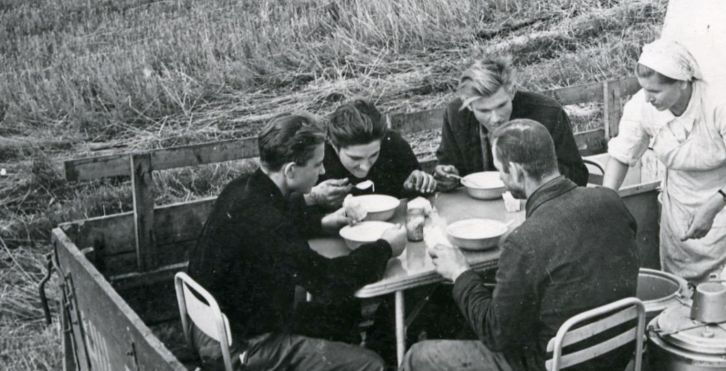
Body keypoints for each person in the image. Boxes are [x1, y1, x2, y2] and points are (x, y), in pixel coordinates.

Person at [404, 120, 639, 371]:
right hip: (614, 354)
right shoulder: (611, 200)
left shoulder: (524, 240)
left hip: (552, 364)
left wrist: (460, 273)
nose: (500, 178)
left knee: (418, 355)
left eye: (500, 170)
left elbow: (495, 333)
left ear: (516, 171)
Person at [187, 112, 408, 371]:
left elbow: (278, 215)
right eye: (317, 165)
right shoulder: (270, 224)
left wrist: (322, 223)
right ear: (291, 170)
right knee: (372, 363)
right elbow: (330, 281)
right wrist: (385, 247)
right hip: (239, 347)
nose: (323, 170)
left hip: (206, 325)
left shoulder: (241, 188)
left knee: (338, 318)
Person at [602, 38, 726, 282]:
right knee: (681, 282)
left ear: (682, 82)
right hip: (681, 197)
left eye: (655, 91)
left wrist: (716, 204)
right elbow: (622, 155)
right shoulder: (642, 106)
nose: (647, 98)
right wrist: (603, 202)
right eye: (644, 88)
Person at [434, 54, 588, 189]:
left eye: (501, 105)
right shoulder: (455, 114)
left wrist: (531, 165)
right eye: (484, 111)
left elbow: (578, 177)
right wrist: (447, 177)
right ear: (467, 103)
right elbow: (448, 169)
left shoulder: (549, 112)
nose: (495, 119)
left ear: (512, 91)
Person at [301, 99, 437, 211]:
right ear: (334, 145)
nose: (365, 167)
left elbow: (418, 198)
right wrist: (314, 198)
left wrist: (415, 186)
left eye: (374, 155)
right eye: (355, 158)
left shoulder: (393, 144)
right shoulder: (319, 159)